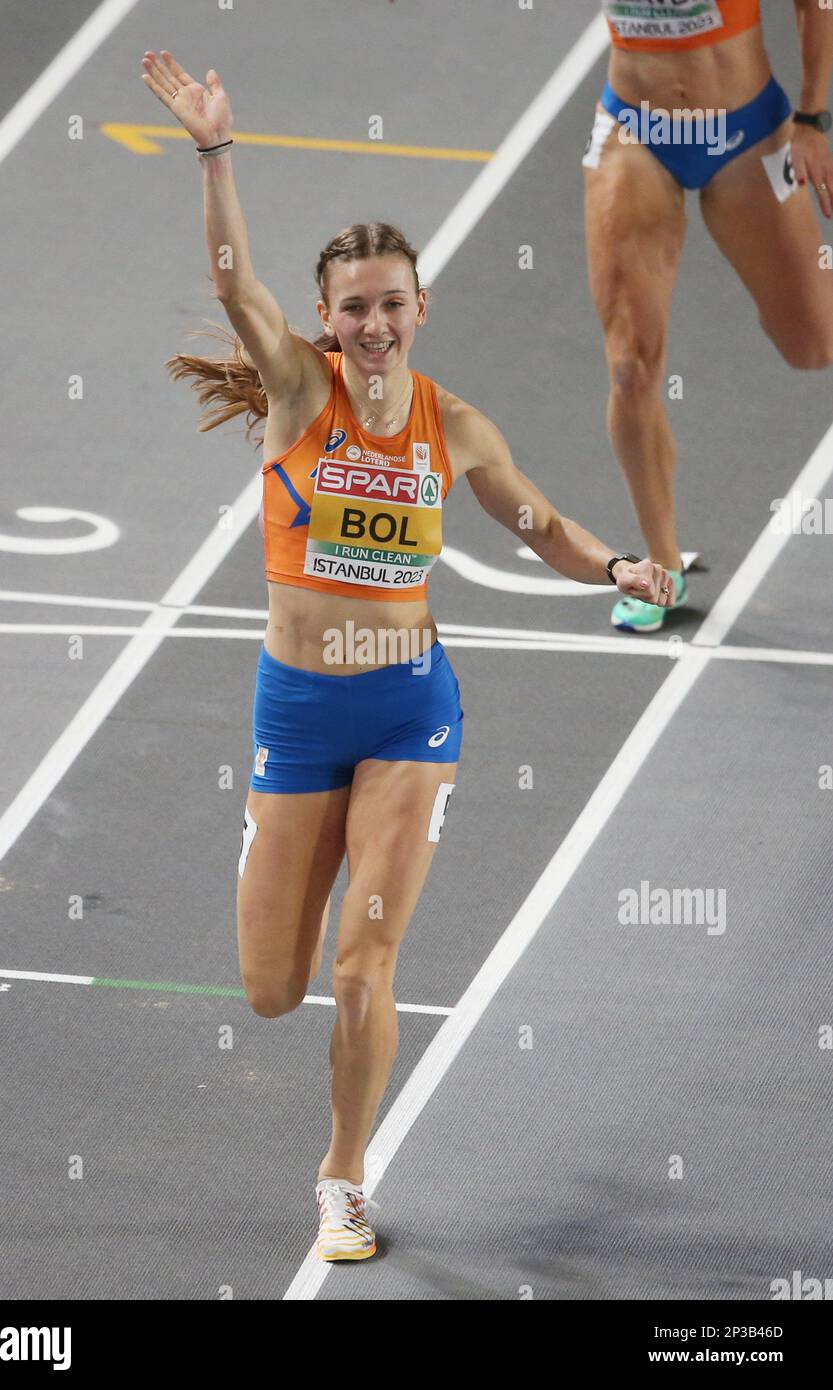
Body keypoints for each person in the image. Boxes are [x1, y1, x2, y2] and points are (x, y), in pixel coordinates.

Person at [141, 47, 675, 1262]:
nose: (374, 324)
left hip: (409, 716)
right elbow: (232, 284)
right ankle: (279, 868)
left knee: (366, 960)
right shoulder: (296, 393)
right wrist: (216, 153)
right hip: (297, 717)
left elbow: (535, 521)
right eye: (353, 307)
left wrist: (618, 568)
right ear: (327, 323)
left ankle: (342, 1175)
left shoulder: (457, 426)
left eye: (393, 302)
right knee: (274, 989)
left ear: (420, 308)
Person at [584, 0, 833, 632]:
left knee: (813, 343)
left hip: (752, 131)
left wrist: (811, 116)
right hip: (635, 132)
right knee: (630, 368)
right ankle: (660, 566)